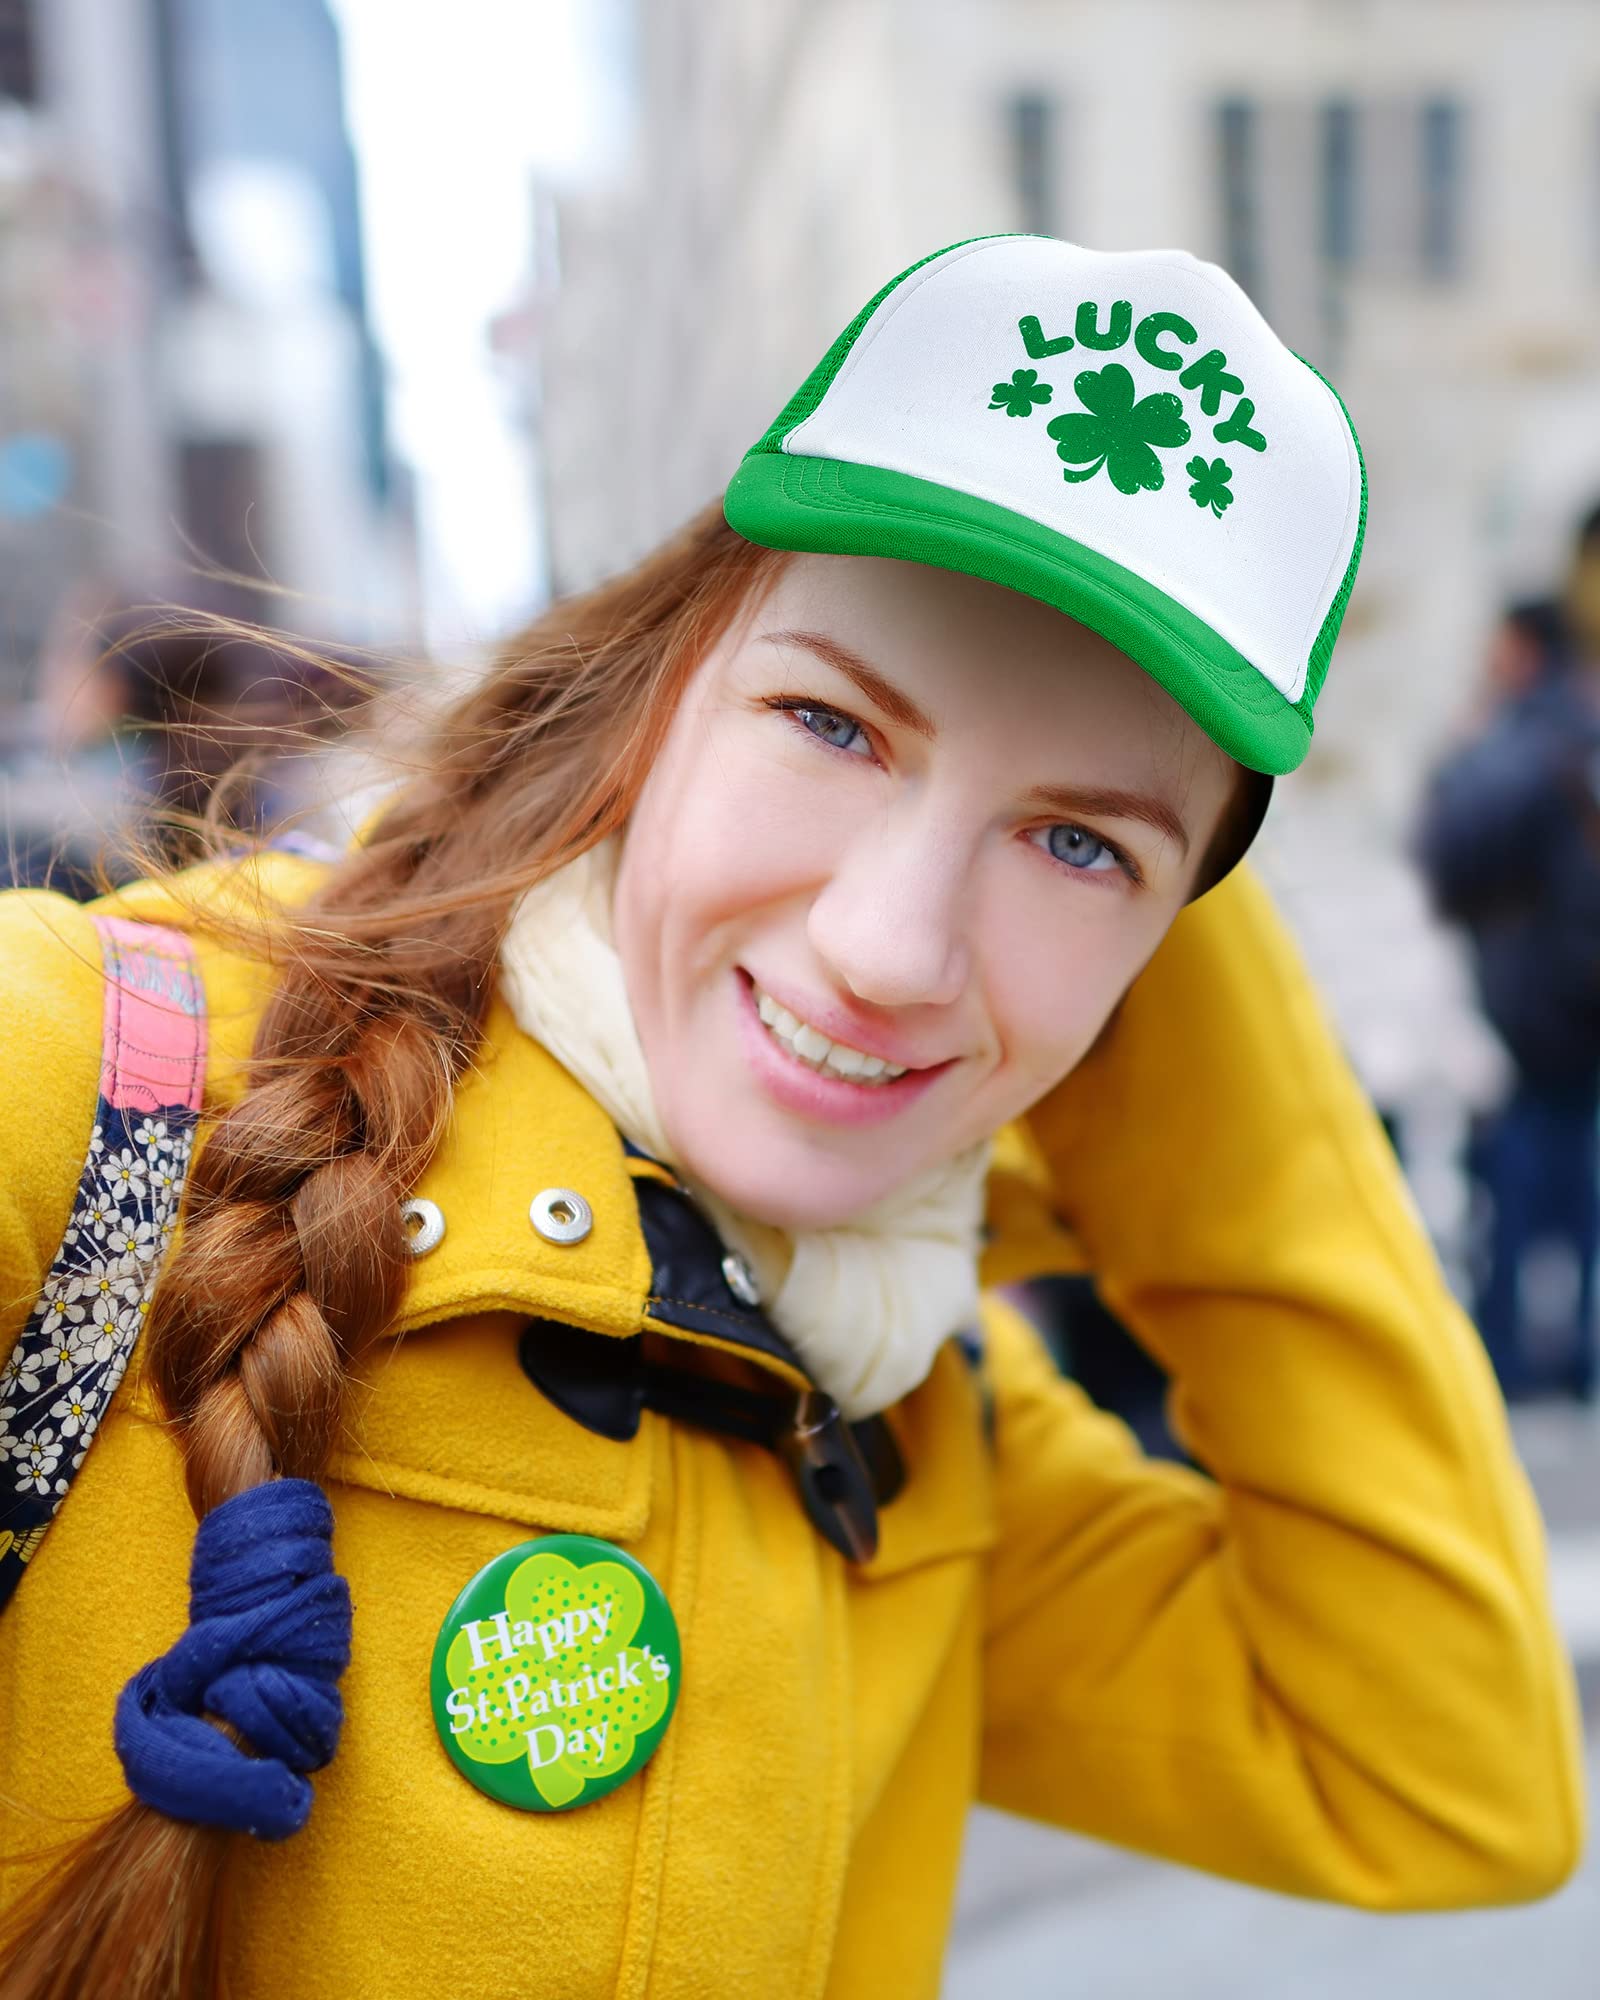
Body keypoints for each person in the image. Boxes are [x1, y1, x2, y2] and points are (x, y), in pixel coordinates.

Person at [0, 236, 1584, 2000]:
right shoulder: (79, 1088)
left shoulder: (919, 1422)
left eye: (1083, 845)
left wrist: (1158, 974)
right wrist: (1096, 863)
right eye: (832, 724)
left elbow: (1455, 1776)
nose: (887, 947)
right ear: (654, 693)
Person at [1418, 565, 1600, 1401]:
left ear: (1521, 650)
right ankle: (1577, 1362)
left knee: (1517, 1192)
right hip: (1575, 1006)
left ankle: (1510, 1365)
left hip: (1532, 1011)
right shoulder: (1578, 728)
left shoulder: (1522, 737)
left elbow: (1449, 849)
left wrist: (1463, 753)